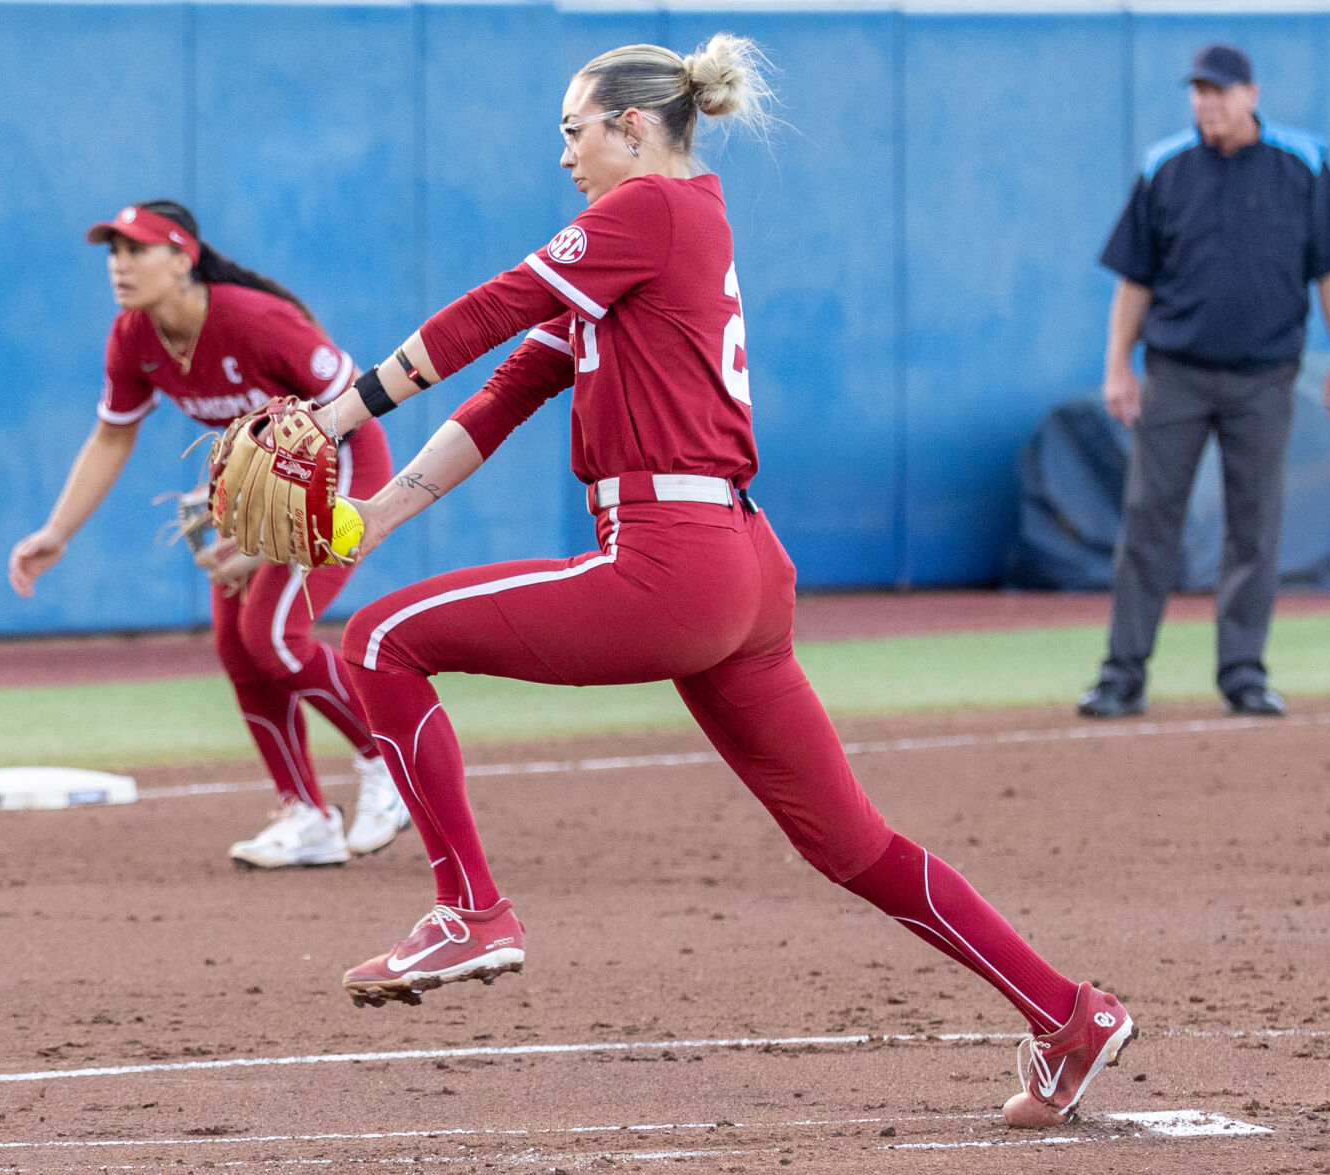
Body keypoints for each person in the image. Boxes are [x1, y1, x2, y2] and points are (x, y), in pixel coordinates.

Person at [312, 35, 1133, 1126]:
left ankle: (470, 907)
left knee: (377, 640)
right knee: (850, 843)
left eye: (574, 130)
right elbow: (509, 386)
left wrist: (337, 413)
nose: (562, 154)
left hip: (667, 559)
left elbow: (489, 308)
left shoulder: (644, 212)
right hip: (736, 563)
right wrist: (369, 514)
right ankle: (1065, 1012)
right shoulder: (658, 238)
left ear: (633, 127)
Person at [7, 200, 411, 867]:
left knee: (273, 635)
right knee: (236, 645)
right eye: (113, 252)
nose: (119, 265)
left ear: (182, 257)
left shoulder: (257, 321)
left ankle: (387, 762)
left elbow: (356, 409)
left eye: (136, 250)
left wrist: (278, 525)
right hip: (262, 489)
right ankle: (305, 815)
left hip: (342, 472)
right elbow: (112, 435)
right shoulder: (133, 336)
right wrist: (58, 531)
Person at [1079, 43, 1330, 721]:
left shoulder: (1303, 163)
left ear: (1250, 95)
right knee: (1149, 517)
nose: (1207, 102)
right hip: (1176, 373)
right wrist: (1117, 365)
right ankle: (1122, 674)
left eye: (1220, 90)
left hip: (1264, 377)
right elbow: (1134, 280)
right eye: (1198, 92)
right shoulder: (1164, 167)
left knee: (1254, 525)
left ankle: (1242, 672)